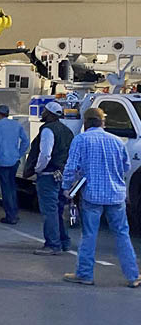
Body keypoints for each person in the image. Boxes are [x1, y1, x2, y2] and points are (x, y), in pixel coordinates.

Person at [61, 107, 140, 287]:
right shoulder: (117, 141)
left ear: (86, 123)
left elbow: (71, 167)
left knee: (89, 235)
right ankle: (133, 276)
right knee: (122, 234)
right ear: (103, 122)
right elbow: (126, 167)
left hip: (92, 196)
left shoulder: (81, 140)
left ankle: (85, 274)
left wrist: (66, 188)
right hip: (116, 196)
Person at [25, 101, 73, 255]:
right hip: (62, 174)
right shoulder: (67, 131)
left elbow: (45, 154)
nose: (42, 113)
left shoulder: (47, 130)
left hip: (48, 175)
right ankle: (64, 241)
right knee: (58, 209)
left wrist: (38, 169)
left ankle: (52, 244)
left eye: (44, 111)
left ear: (49, 113)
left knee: (49, 210)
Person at [0, 104, 30, 225]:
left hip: (1, 160)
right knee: (12, 187)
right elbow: (26, 141)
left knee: (5, 188)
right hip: (14, 160)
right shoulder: (16, 125)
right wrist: (19, 153)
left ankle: (10, 215)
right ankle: (14, 213)